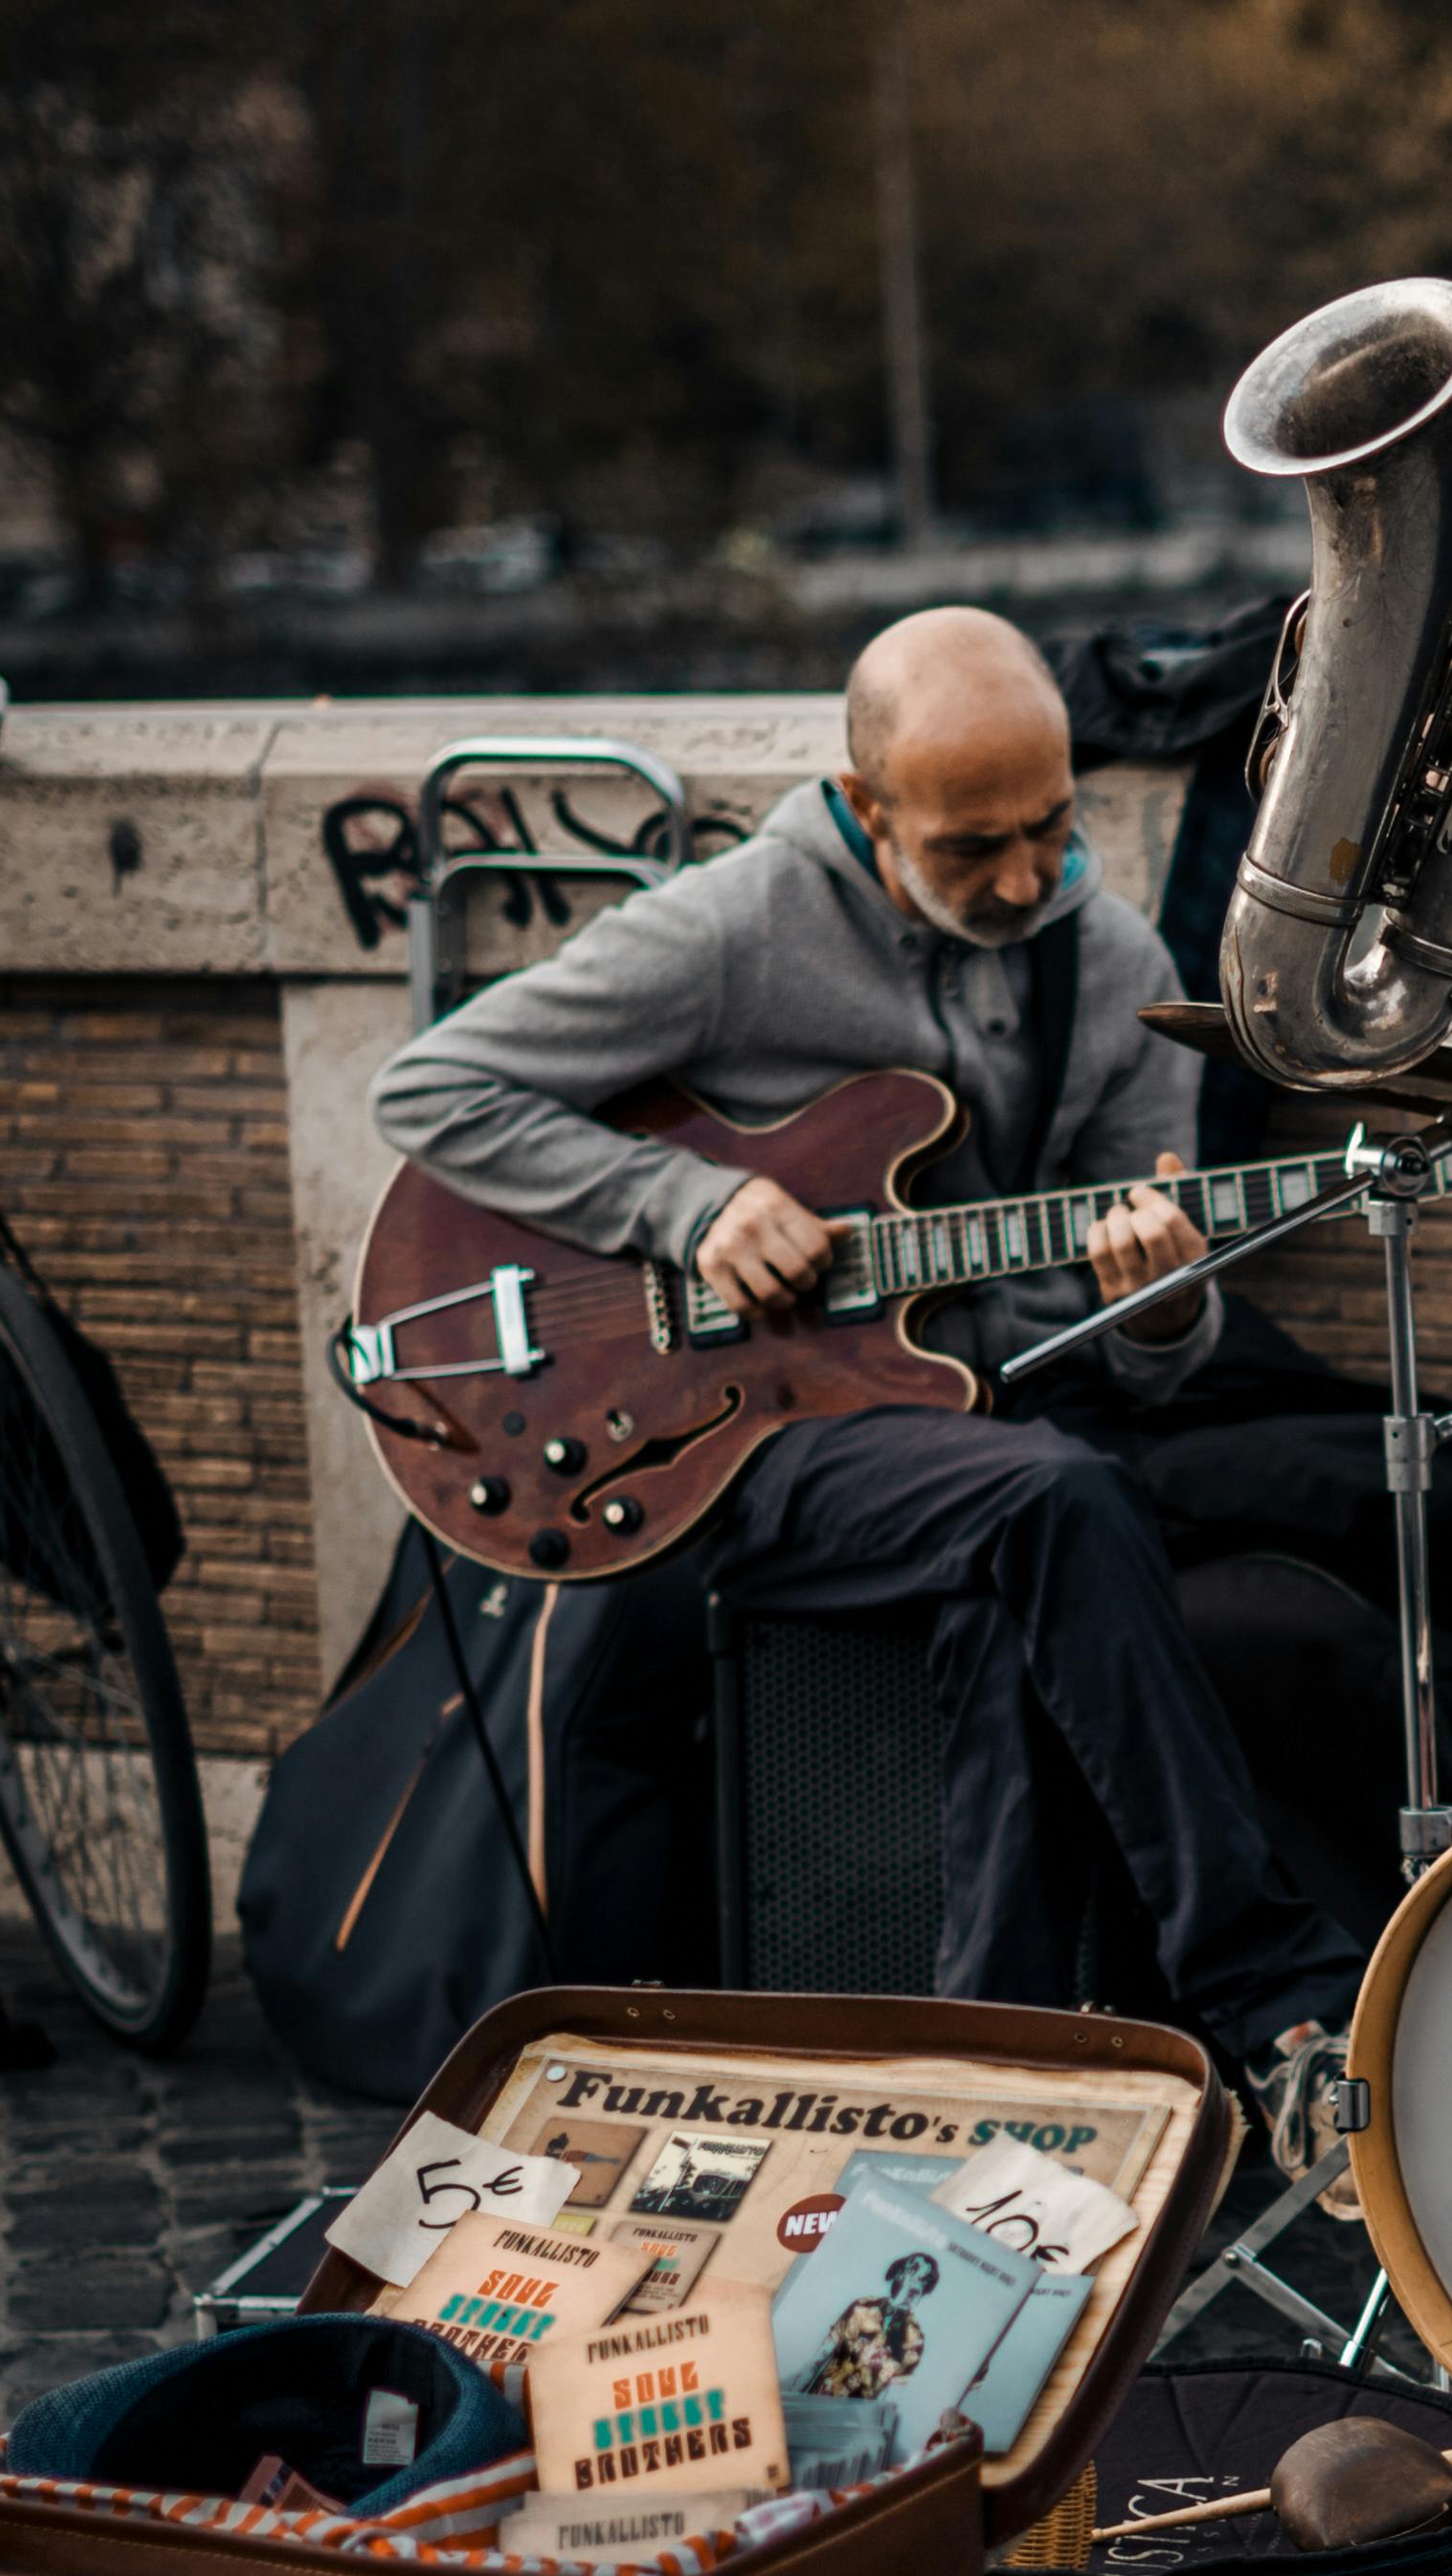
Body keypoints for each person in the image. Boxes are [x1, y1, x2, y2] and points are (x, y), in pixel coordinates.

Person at [368, 605, 1364, 2114]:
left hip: (959, 1431)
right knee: (1055, 1508)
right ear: (865, 807)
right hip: (719, 1436)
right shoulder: (742, 923)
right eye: (969, 848)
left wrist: (1158, 1311)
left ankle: (978, 2077)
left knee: (1030, 1548)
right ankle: (1274, 1996)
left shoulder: (1108, 965)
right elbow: (434, 1086)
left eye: (1050, 826)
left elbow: (1077, 1344)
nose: (1023, 878)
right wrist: (688, 1203)